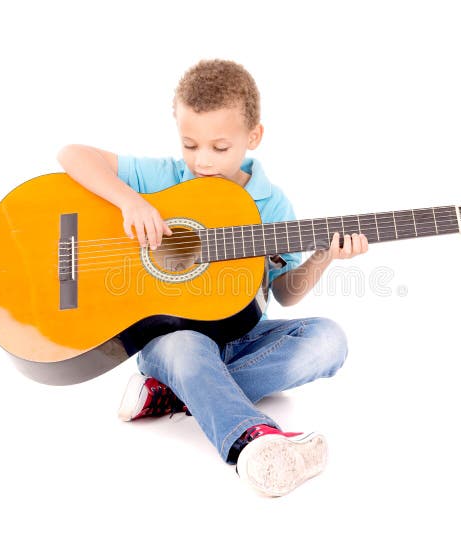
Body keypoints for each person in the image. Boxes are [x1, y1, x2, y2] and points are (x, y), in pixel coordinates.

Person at [57, 59, 368, 497]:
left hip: (242, 333)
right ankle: (254, 442)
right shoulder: (168, 178)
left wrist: (322, 258)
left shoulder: (271, 207)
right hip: (172, 337)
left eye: (220, 148)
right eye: (190, 145)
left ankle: (172, 394)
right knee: (186, 348)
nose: (202, 162)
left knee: (330, 340)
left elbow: (284, 294)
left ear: (253, 137)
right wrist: (132, 203)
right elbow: (73, 155)